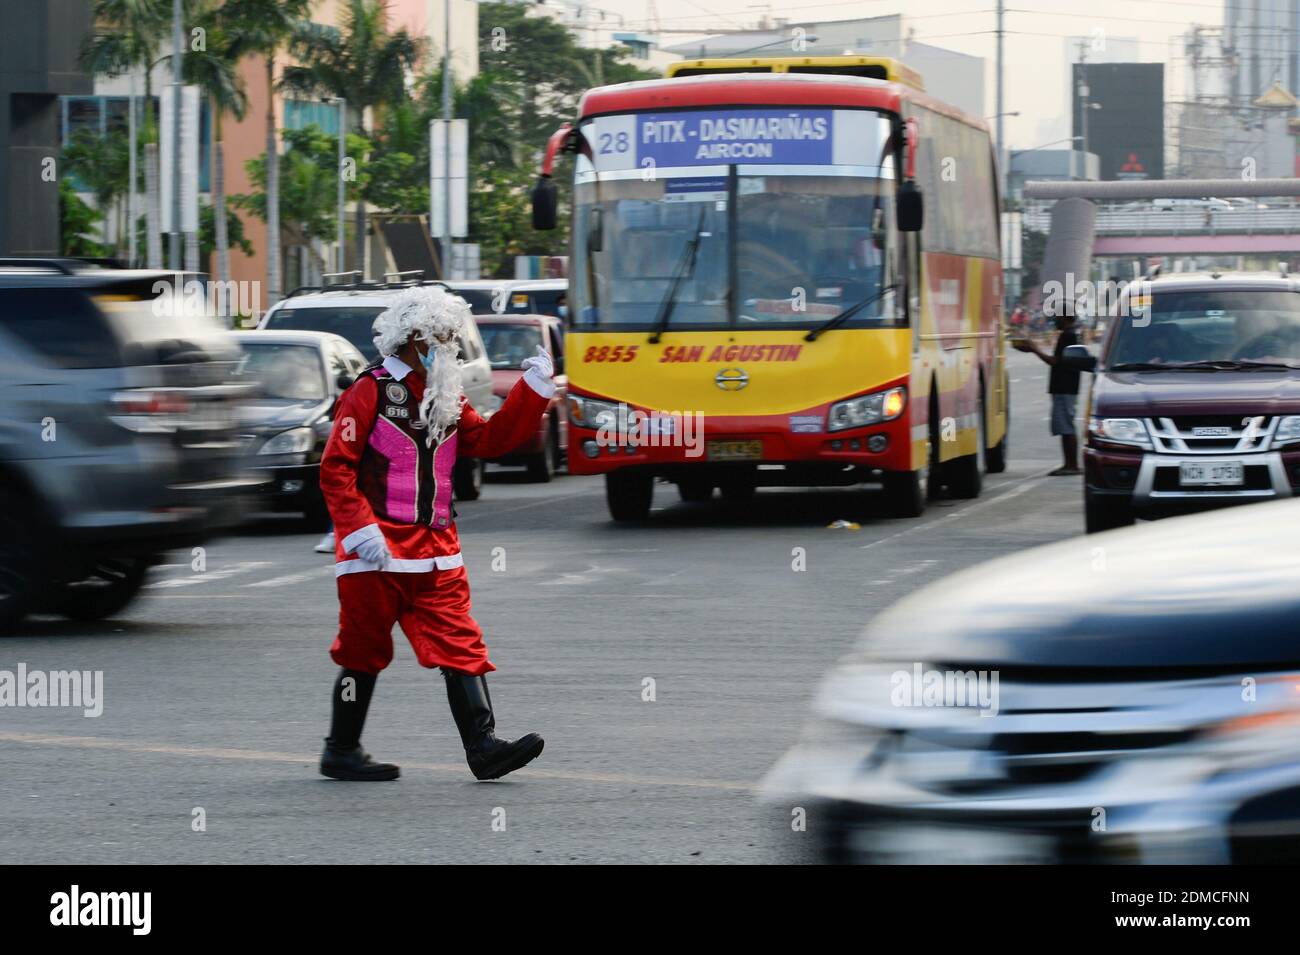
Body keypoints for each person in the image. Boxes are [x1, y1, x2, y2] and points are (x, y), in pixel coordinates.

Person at [317, 285, 555, 782]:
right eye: (440, 338)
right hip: (375, 549)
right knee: (363, 651)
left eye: (451, 338)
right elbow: (336, 468)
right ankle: (340, 749)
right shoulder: (370, 390)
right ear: (412, 337)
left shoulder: (447, 395)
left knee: (461, 643)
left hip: (436, 551)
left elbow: (488, 440)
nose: (448, 347)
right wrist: (358, 530)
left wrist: (530, 393)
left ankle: (484, 747)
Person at [1014, 302, 1083, 476]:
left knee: (1066, 426)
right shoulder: (1068, 334)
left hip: (1065, 387)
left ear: (1065, 317)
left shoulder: (1068, 336)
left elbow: (1055, 361)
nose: (1054, 319)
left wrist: (1034, 349)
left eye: (1057, 316)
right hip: (1064, 386)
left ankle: (1072, 465)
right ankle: (1068, 463)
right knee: (1064, 426)